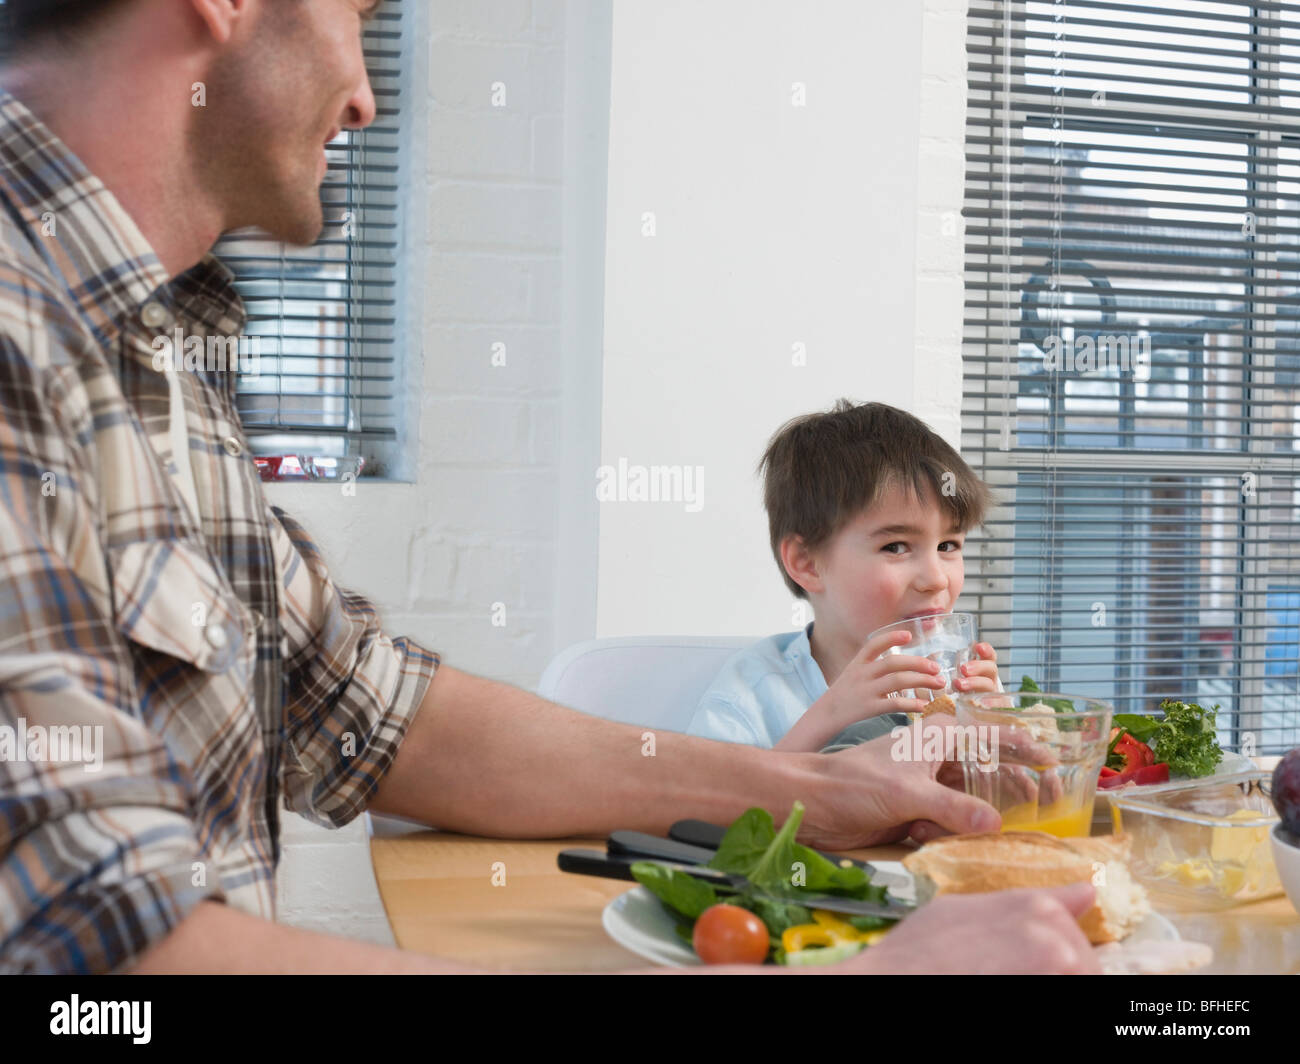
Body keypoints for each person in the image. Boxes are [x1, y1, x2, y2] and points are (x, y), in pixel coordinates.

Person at [0, 0, 1100, 976]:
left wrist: (818, 788)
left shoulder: (150, 356)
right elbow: (98, 947)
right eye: (361, 18)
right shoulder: (18, 331)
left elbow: (387, 719)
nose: (367, 98)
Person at [688, 401, 1002, 753]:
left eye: (948, 545)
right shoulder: (750, 696)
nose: (936, 579)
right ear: (807, 563)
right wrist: (826, 718)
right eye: (896, 547)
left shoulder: (959, 677)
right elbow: (713, 807)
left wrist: (1000, 733)